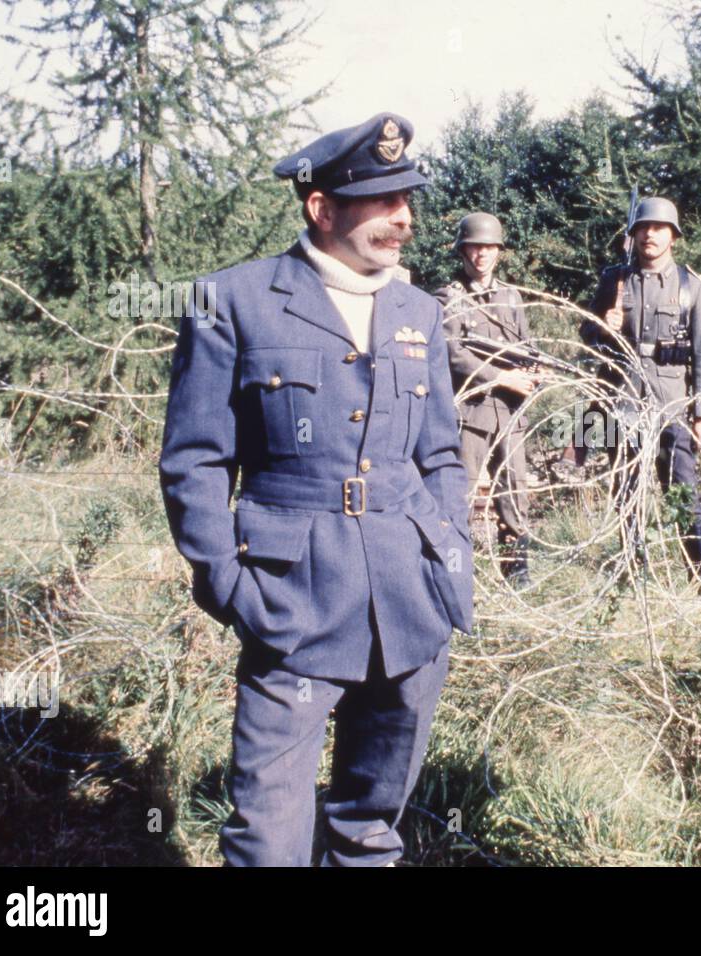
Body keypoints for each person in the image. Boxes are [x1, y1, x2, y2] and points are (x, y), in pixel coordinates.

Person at [159, 111, 473, 867]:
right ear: (322, 209)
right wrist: (230, 581)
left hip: (410, 600)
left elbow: (441, 453)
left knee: (370, 826)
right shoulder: (231, 300)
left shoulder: (419, 311)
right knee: (268, 835)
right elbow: (194, 460)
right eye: (383, 199)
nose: (406, 218)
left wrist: (450, 556)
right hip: (290, 600)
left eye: (409, 199)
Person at [580, 197, 701, 593]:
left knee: (683, 490)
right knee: (626, 492)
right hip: (621, 400)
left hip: (671, 404)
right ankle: (631, 573)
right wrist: (604, 325)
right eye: (644, 227)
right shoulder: (614, 279)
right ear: (634, 234)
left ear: (673, 236)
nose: (650, 234)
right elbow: (586, 337)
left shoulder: (692, 285)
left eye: (659, 228)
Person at [433, 212, 534, 589]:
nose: (481, 255)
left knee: (514, 489)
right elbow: (453, 352)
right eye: (475, 247)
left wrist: (533, 372)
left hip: (510, 411)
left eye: (488, 248)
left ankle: (516, 571)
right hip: (471, 411)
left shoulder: (511, 296)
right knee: (461, 493)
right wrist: (501, 376)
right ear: (464, 251)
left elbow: (526, 346)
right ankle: (455, 572)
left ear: (498, 252)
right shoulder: (450, 297)